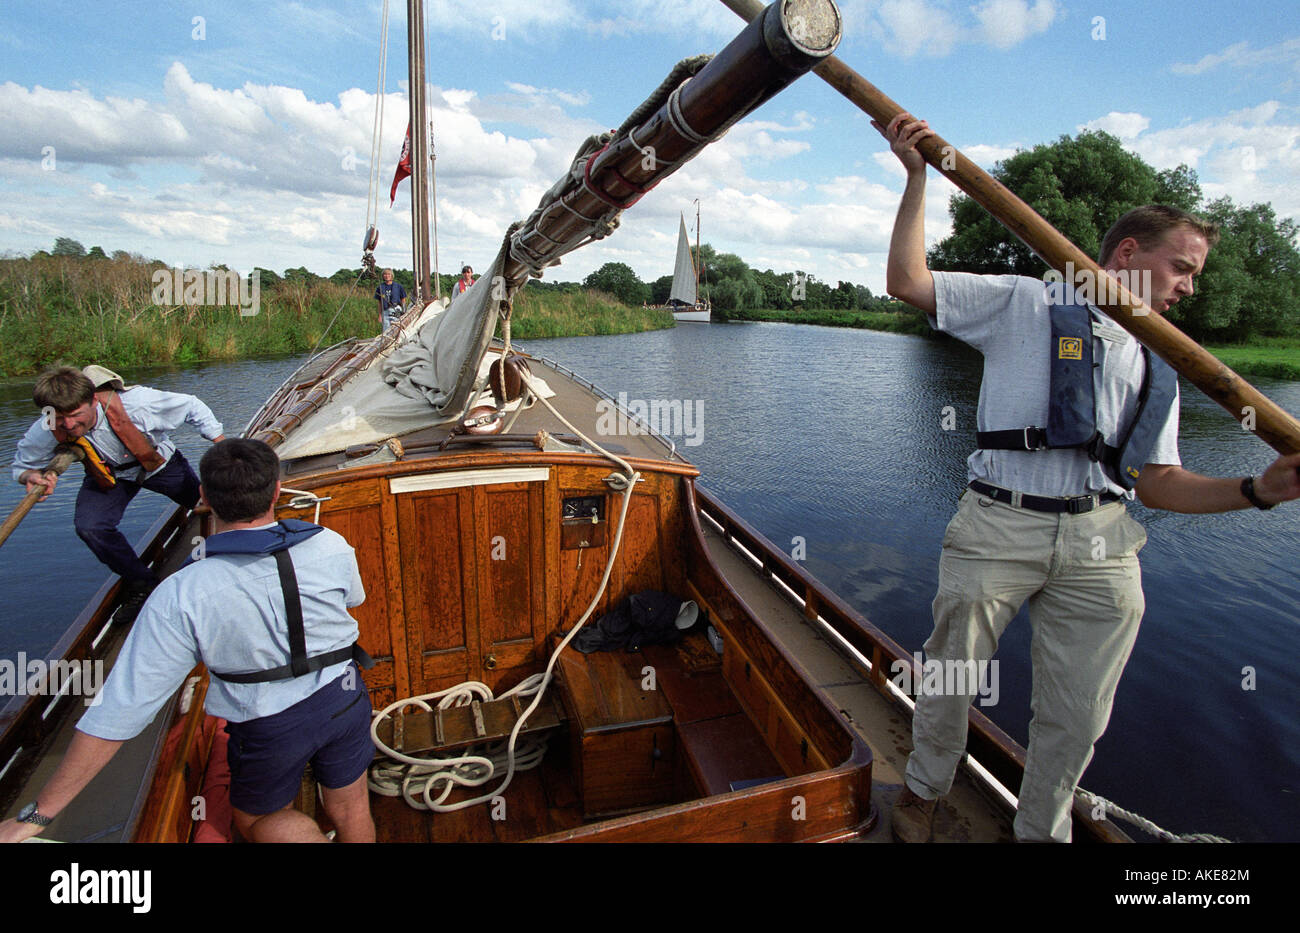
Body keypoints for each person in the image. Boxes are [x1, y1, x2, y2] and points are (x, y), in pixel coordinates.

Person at [874, 112, 1300, 843]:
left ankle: (1040, 831)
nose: (1189, 289)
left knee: (1080, 712)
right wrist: (916, 179)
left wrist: (1257, 489)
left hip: (1105, 538)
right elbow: (907, 281)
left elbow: (1159, 481)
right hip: (1000, 519)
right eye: (1183, 268)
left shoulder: (1163, 361)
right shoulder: (1027, 303)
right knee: (951, 672)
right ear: (1129, 253)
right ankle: (922, 789)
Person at [0, 438, 375, 844]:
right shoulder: (328, 543)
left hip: (270, 724)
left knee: (258, 820)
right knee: (351, 805)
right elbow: (355, 598)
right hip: (347, 695)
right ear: (277, 491)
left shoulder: (183, 593)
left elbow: (120, 713)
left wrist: (38, 816)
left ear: (203, 497)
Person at [12, 365, 226, 623]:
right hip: (109, 477)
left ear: (92, 401)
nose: (68, 425)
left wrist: (220, 444)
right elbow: (24, 465)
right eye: (59, 418)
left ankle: (226, 555)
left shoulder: (138, 404)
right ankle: (142, 583)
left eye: (75, 415)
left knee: (214, 505)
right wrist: (30, 476)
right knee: (90, 527)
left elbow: (192, 406)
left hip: (159, 466)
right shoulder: (48, 424)